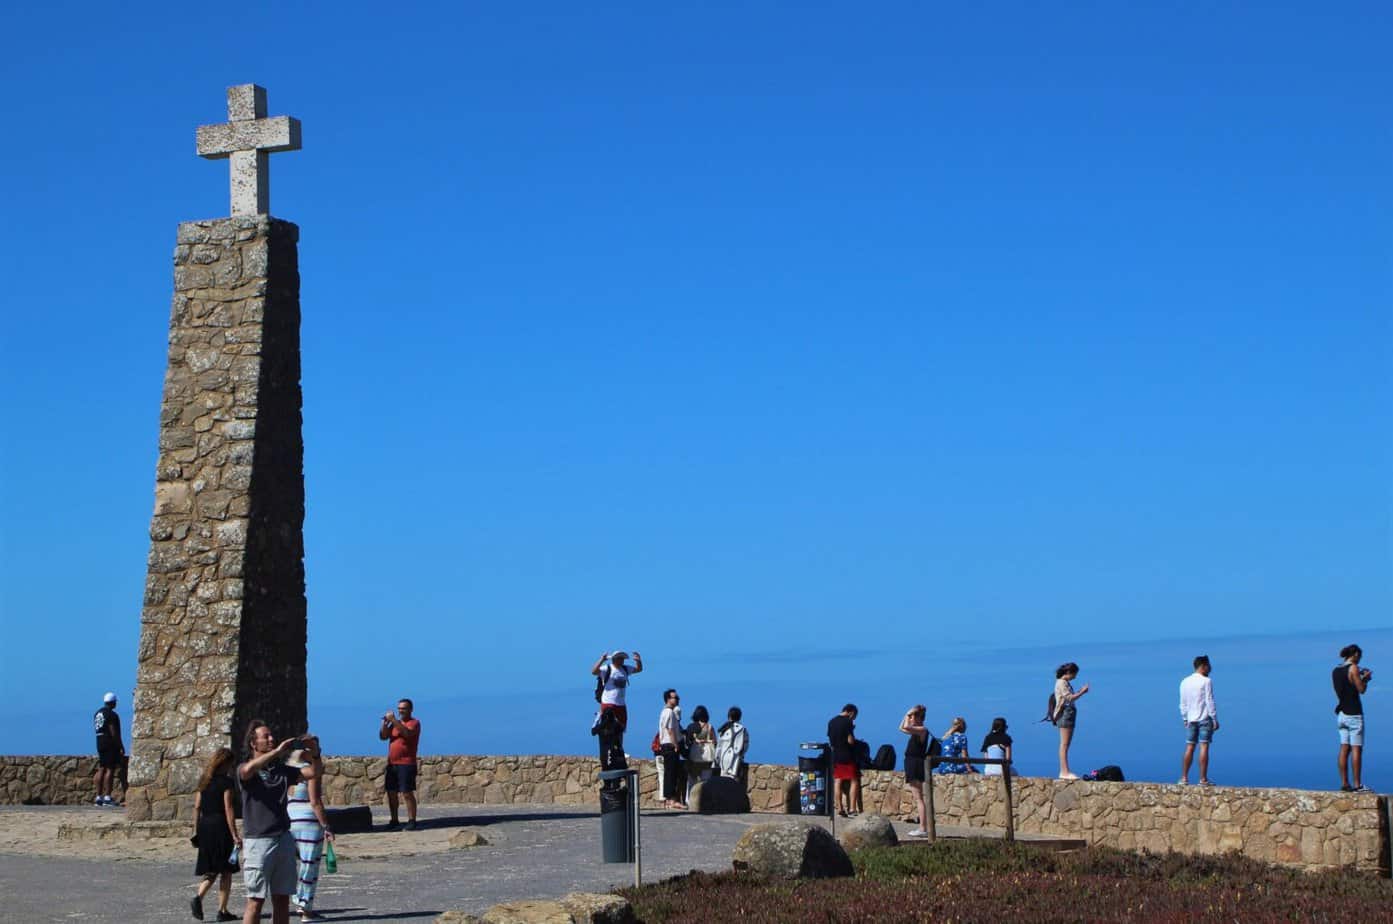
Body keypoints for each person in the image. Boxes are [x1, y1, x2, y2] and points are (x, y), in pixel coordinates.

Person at [238, 720, 318, 924]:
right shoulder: (246, 769)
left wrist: (315, 753)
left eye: (271, 735)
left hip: (283, 838)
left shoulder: (281, 770)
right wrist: (277, 752)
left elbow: (313, 773)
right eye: (266, 736)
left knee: (282, 899)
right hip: (258, 842)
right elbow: (247, 771)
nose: (272, 739)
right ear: (253, 743)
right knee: (255, 900)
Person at [190, 747, 241, 922]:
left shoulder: (204, 781)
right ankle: (221, 909)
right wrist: (234, 834)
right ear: (225, 763)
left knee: (211, 867)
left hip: (205, 826)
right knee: (225, 869)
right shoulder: (227, 783)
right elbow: (228, 808)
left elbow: (197, 807)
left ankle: (201, 898)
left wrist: (195, 830)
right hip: (220, 826)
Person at [286, 736, 332, 922]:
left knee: (291, 866)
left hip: (289, 820)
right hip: (308, 823)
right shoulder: (308, 771)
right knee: (309, 866)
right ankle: (305, 909)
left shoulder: (287, 770)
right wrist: (326, 826)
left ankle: (297, 903)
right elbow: (315, 801)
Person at [1333, 644, 1372, 793]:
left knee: (1344, 748)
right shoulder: (1353, 668)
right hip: (1354, 713)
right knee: (1356, 749)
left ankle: (1344, 783)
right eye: (1359, 656)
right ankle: (1357, 785)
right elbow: (1360, 689)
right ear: (1355, 654)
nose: (1359, 659)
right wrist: (1366, 679)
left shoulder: (1335, 670)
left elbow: (1345, 688)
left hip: (1341, 713)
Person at [379, 698, 421, 830]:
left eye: (403, 708)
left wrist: (393, 720)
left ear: (410, 709)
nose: (400, 711)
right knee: (391, 792)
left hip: (406, 763)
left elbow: (407, 734)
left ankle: (412, 820)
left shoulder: (414, 723)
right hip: (392, 763)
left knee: (407, 793)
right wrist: (385, 724)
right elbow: (383, 737)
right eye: (399, 709)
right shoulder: (395, 724)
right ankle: (394, 819)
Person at [1179, 655, 1219, 786]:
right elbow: (1209, 700)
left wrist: (1185, 718)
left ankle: (1184, 778)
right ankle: (1203, 779)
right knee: (1204, 747)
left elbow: (1183, 703)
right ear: (1203, 666)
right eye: (1209, 665)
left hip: (1191, 719)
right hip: (1204, 718)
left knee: (1189, 747)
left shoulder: (1184, 681)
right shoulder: (1206, 681)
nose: (1210, 668)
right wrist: (1214, 718)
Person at [590, 649, 643, 736]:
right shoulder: (607, 668)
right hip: (608, 702)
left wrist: (638, 661)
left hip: (621, 704)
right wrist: (602, 660)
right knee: (607, 727)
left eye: (622, 658)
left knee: (620, 728)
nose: (621, 660)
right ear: (614, 659)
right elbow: (594, 671)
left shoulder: (625, 669)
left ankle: (618, 747)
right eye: (619, 658)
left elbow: (638, 669)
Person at [1053, 662, 1089, 779]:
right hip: (1065, 714)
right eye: (1074, 674)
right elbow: (1069, 698)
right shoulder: (1062, 682)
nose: (1075, 677)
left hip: (1068, 713)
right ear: (1068, 672)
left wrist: (1079, 692)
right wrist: (1082, 692)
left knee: (1065, 744)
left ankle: (1065, 771)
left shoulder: (1064, 683)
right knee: (1064, 744)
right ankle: (1064, 771)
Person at [899, 705, 930, 837]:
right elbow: (901, 728)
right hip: (912, 762)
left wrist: (908, 713)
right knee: (918, 797)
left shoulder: (922, 730)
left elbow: (906, 727)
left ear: (918, 718)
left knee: (919, 798)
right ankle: (923, 827)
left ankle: (923, 828)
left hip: (916, 763)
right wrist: (907, 714)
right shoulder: (917, 731)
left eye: (912, 717)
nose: (910, 719)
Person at [827, 704, 860, 817]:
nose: (853, 718)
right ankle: (852, 809)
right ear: (851, 712)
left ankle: (839, 807)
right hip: (847, 755)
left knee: (838, 781)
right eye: (854, 716)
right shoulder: (847, 722)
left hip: (835, 755)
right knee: (854, 780)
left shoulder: (831, 721)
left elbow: (831, 740)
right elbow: (850, 740)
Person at [93, 691, 125, 807]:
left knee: (102, 768)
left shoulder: (98, 713)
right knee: (110, 769)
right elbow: (113, 732)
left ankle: (98, 796)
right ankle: (107, 797)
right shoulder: (111, 715)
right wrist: (120, 746)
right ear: (113, 703)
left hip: (99, 741)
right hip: (109, 742)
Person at [657, 689, 685, 809]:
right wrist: (675, 744)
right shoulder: (669, 712)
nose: (677, 699)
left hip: (666, 745)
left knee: (669, 773)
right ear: (668, 699)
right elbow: (670, 729)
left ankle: (669, 799)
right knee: (672, 773)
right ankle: (672, 800)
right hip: (670, 745)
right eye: (675, 697)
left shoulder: (665, 712)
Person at [684, 705, 716, 802]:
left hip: (695, 755)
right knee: (706, 780)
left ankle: (689, 800)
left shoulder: (692, 726)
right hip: (707, 757)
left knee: (691, 780)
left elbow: (688, 740)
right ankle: (705, 801)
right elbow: (714, 741)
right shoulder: (709, 726)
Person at [715, 706, 750, 783]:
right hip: (735, 759)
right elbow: (745, 745)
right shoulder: (743, 729)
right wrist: (741, 755)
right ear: (739, 717)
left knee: (723, 782)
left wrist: (717, 759)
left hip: (724, 759)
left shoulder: (723, 729)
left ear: (729, 716)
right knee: (733, 782)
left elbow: (719, 746)